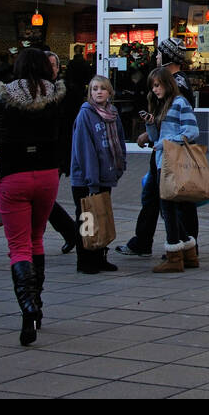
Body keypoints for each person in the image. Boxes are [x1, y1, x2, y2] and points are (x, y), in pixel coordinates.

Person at [0, 47, 67, 345]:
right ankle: (39, 305)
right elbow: (63, 132)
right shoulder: (55, 95)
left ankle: (27, 308)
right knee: (37, 239)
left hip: (13, 173)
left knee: (18, 246)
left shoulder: (5, 95)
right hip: (46, 173)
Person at [141, 40, 202, 273]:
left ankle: (176, 255)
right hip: (162, 161)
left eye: (157, 86)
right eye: (152, 86)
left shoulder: (178, 102)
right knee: (168, 207)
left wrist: (168, 143)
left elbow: (191, 131)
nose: (155, 90)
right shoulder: (161, 105)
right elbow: (157, 136)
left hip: (174, 161)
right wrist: (150, 127)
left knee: (169, 207)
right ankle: (187, 250)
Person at [70, 75, 127, 274]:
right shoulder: (85, 115)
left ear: (109, 92)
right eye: (94, 89)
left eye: (102, 88)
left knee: (101, 217)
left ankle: (100, 257)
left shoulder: (112, 113)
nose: (99, 92)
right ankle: (85, 260)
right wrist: (91, 181)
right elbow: (85, 150)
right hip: (86, 179)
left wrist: (120, 166)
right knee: (87, 219)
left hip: (105, 176)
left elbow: (119, 140)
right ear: (90, 93)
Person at [45, 51, 80, 255]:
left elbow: (73, 124)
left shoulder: (67, 91)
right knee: (43, 198)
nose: (51, 68)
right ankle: (69, 231)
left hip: (58, 151)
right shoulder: (32, 92)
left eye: (54, 65)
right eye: (47, 64)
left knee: (45, 197)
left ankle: (69, 231)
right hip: (38, 151)